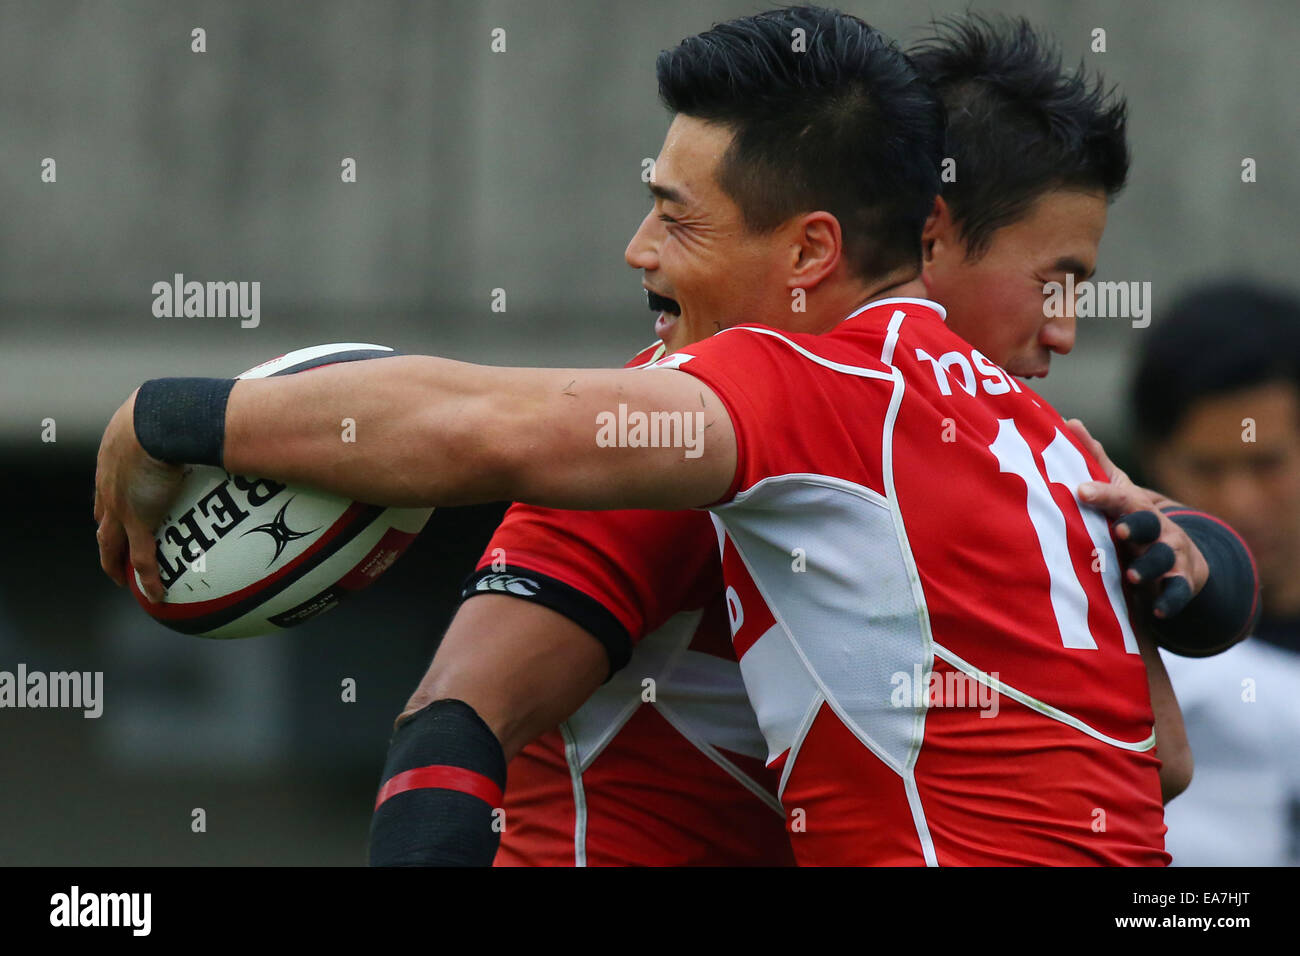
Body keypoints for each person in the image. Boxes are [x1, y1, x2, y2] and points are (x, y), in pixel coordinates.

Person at [93, 8, 1255, 865]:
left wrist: (172, 413)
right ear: (933, 238)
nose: (1063, 328)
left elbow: (486, 428)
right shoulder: (1040, 449)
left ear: (827, 246)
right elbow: (1159, 754)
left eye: (672, 213)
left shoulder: (820, 392)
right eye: (1052, 279)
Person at [1132, 281, 1300, 866]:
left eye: (1267, 463)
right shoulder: (1118, 636)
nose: (1240, 503)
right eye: (1205, 467)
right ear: (1154, 460)